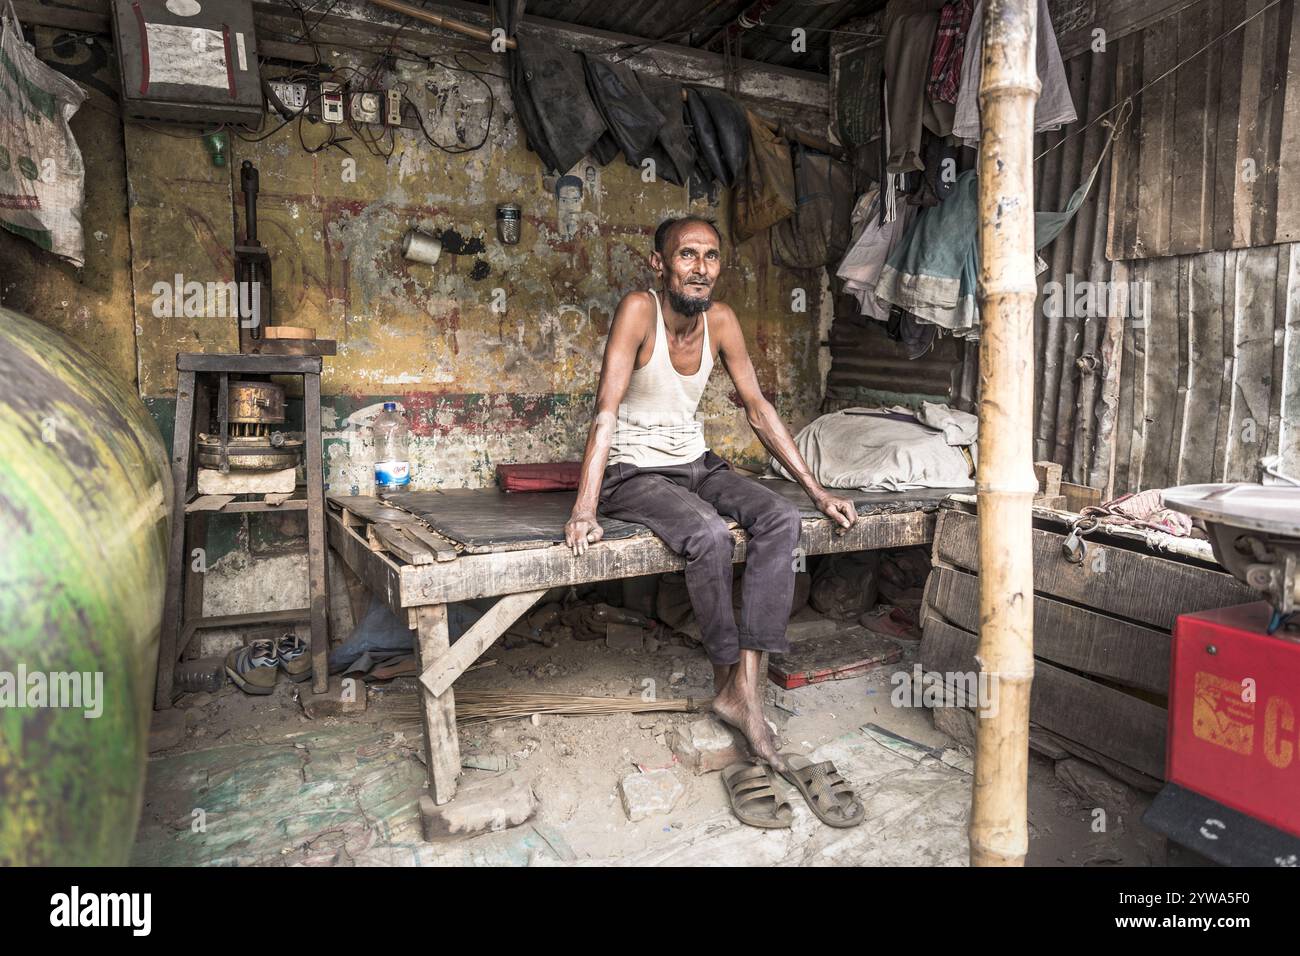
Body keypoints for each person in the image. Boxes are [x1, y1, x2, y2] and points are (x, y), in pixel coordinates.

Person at [564, 216, 857, 769]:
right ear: (659, 263)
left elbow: (758, 409)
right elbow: (605, 411)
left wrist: (816, 492)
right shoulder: (637, 310)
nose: (701, 269)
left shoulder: (720, 320)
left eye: (712, 257)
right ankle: (728, 681)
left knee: (780, 518)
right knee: (707, 532)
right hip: (633, 473)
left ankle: (748, 683)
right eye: (687, 255)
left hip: (696, 464)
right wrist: (584, 508)